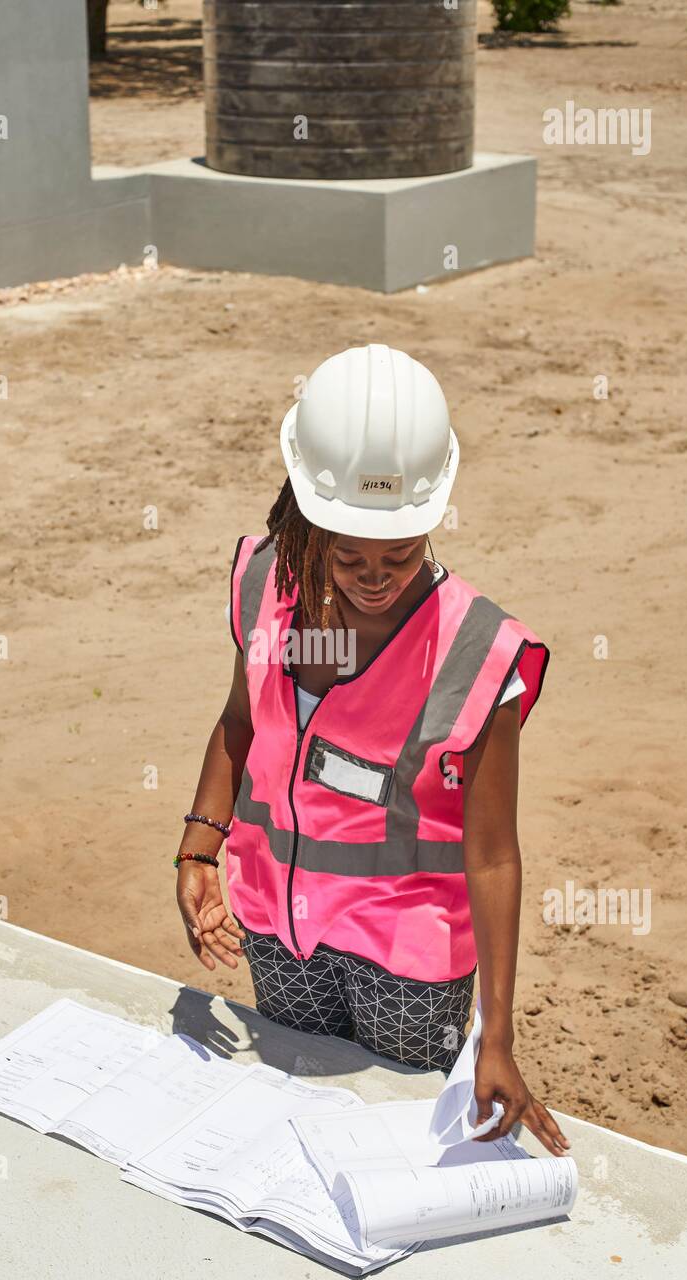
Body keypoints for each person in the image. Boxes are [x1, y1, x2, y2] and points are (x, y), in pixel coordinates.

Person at [175, 343, 570, 1159]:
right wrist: (198, 847)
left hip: (409, 965)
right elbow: (239, 724)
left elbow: (494, 857)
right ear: (304, 511)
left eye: (401, 553)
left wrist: (496, 1037)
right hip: (279, 938)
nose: (376, 577)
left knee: (393, 1146)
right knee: (295, 1130)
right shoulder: (263, 587)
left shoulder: (480, 655)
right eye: (349, 554)